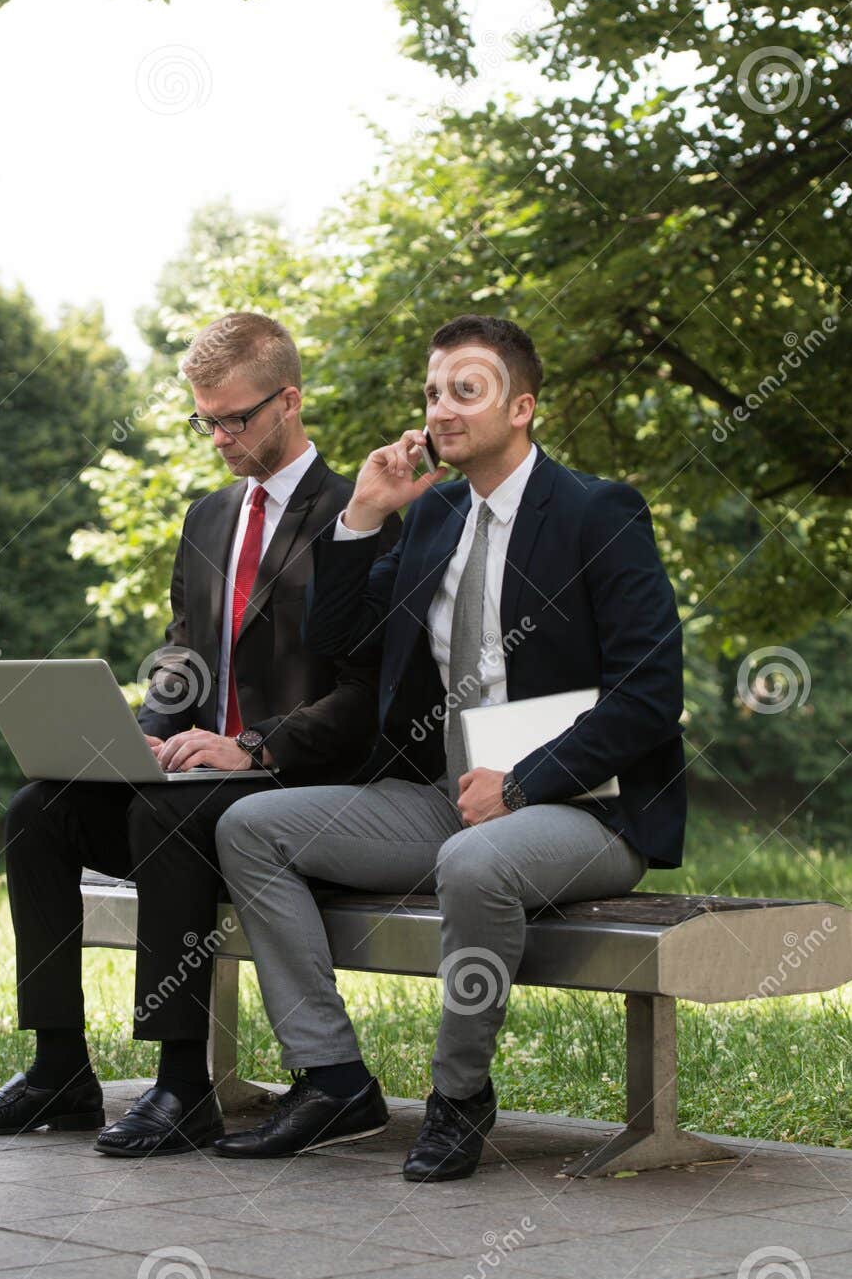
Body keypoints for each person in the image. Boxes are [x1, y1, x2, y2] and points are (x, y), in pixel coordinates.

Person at [213, 313, 686, 1181]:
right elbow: (341, 641)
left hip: (589, 807)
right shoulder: (431, 520)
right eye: (432, 392)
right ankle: (332, 1078)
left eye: (466, 390)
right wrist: (360, 518)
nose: (441, 409)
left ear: (522, 408)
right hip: (448, 794)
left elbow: (651, 698)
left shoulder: (597, 512)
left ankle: (459, 1097)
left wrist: (522, 785)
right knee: (252, 827)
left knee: (474, 863)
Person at [0, 312, 397, 1156]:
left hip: (301, 786)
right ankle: (59, 1070)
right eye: (204, 420)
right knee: (40, 809)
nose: (219, 437)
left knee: (168, 819)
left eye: (236, 418)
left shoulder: (363, 512)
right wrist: (145, 736)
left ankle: (183, 1088)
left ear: (289, 401)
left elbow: (367, 695)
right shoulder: (207, 517)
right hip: (199, 778)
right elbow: (185, 658)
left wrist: (253, 747)